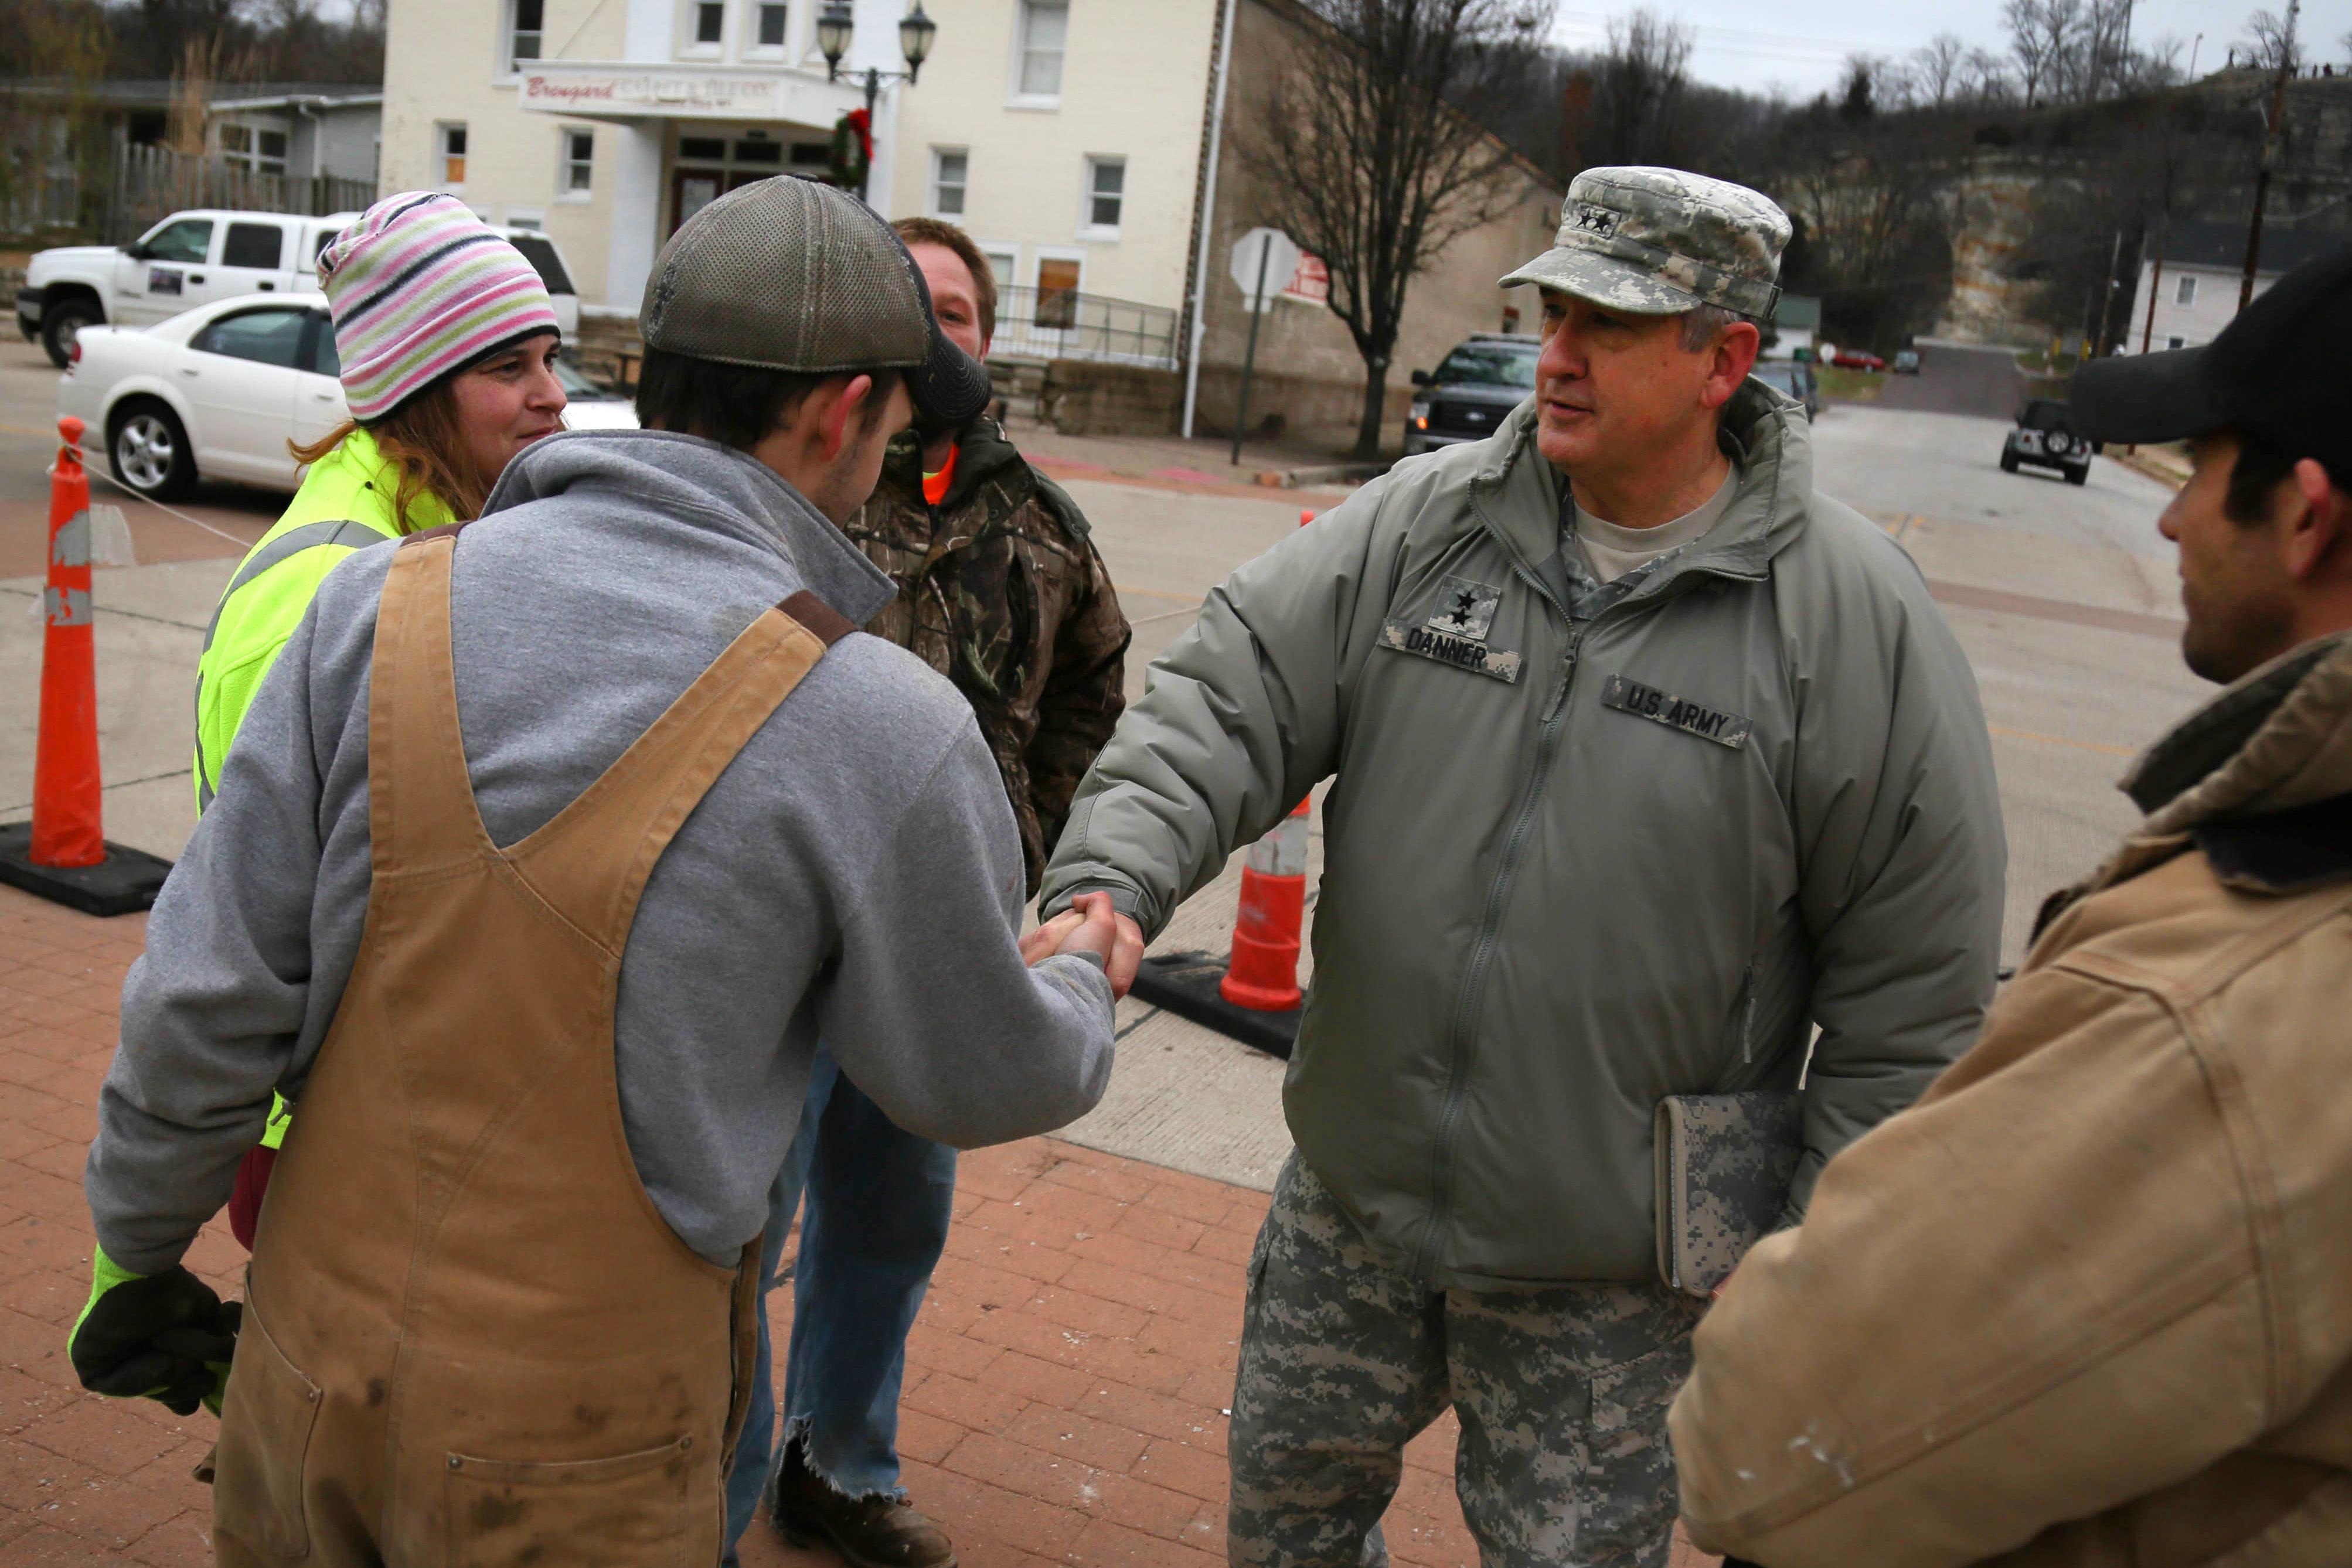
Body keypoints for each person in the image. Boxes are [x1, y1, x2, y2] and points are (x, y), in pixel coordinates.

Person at [68, 175, 1123, 1567]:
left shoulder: (367, 610)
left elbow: (203, 1001)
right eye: (896, 412)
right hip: (585, 1451)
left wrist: (139, 1253)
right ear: (836, 415)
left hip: (306, 1384)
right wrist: (1084, 986)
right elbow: (982, 1075)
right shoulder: (880, 725)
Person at [1036, 165, 2006, 1567]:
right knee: (1286, 1528)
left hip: (1615, 1283)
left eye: (1605, 326)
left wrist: (1813, 1280)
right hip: (1354, 1209)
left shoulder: (1850, 624)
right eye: (1554, 312)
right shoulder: (1429, 524)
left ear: (1724, 357)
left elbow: (1913, 1009)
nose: (1555, 356)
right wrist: (1113, 878)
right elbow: (1230, 696)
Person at [1669, 246, 2352, 1566]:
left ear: (2308, 514)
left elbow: (1771, 1437)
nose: (2168, 520)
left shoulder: (2233, 996)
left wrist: (1778, 1306)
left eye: (2204, 469)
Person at [729, 216, 1129, 1567]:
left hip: (939, 939)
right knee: (742, 1224)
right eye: (913, 307)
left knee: (890, 1218)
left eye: (957, 309)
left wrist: (1026, 843)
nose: (937, 329)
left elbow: (1094, 689)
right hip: (778, 937)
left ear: (986, 337)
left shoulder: (1040, 525)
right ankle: (711, 1492)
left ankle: (837, 1463)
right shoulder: (791, 486)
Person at [189, 190, 570, 1249]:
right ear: (412, 391)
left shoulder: (458, 529)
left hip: (425, 1100)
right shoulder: (320, 592)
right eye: (510, 369)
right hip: (329, 1126)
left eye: (550, 358)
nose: (554, 398)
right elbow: (252, 915)